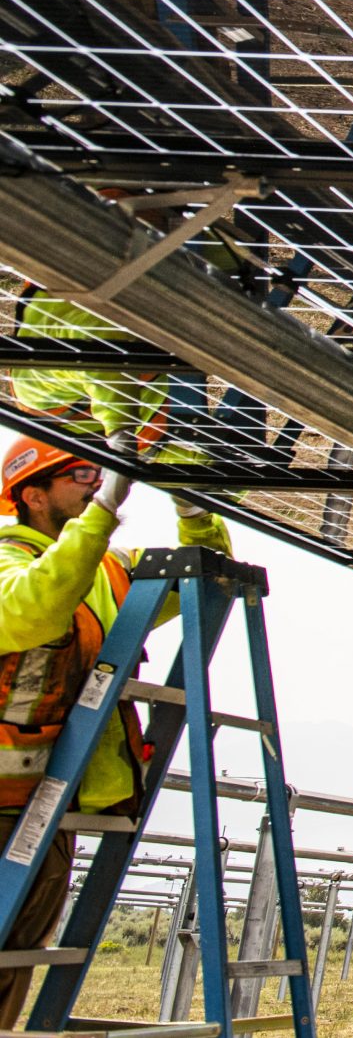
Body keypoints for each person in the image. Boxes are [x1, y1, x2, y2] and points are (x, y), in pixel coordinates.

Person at [0, 434, 233, 1026]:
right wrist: (103, 512)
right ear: (32, 496)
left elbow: (209, 579)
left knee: (13, 959)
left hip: (48, 805)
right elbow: (33, 610)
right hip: (6, 801)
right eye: (78, 474)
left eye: (97, 473)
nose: (96, 482)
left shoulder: (107, 569)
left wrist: (193, 508)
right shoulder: (7, 562)